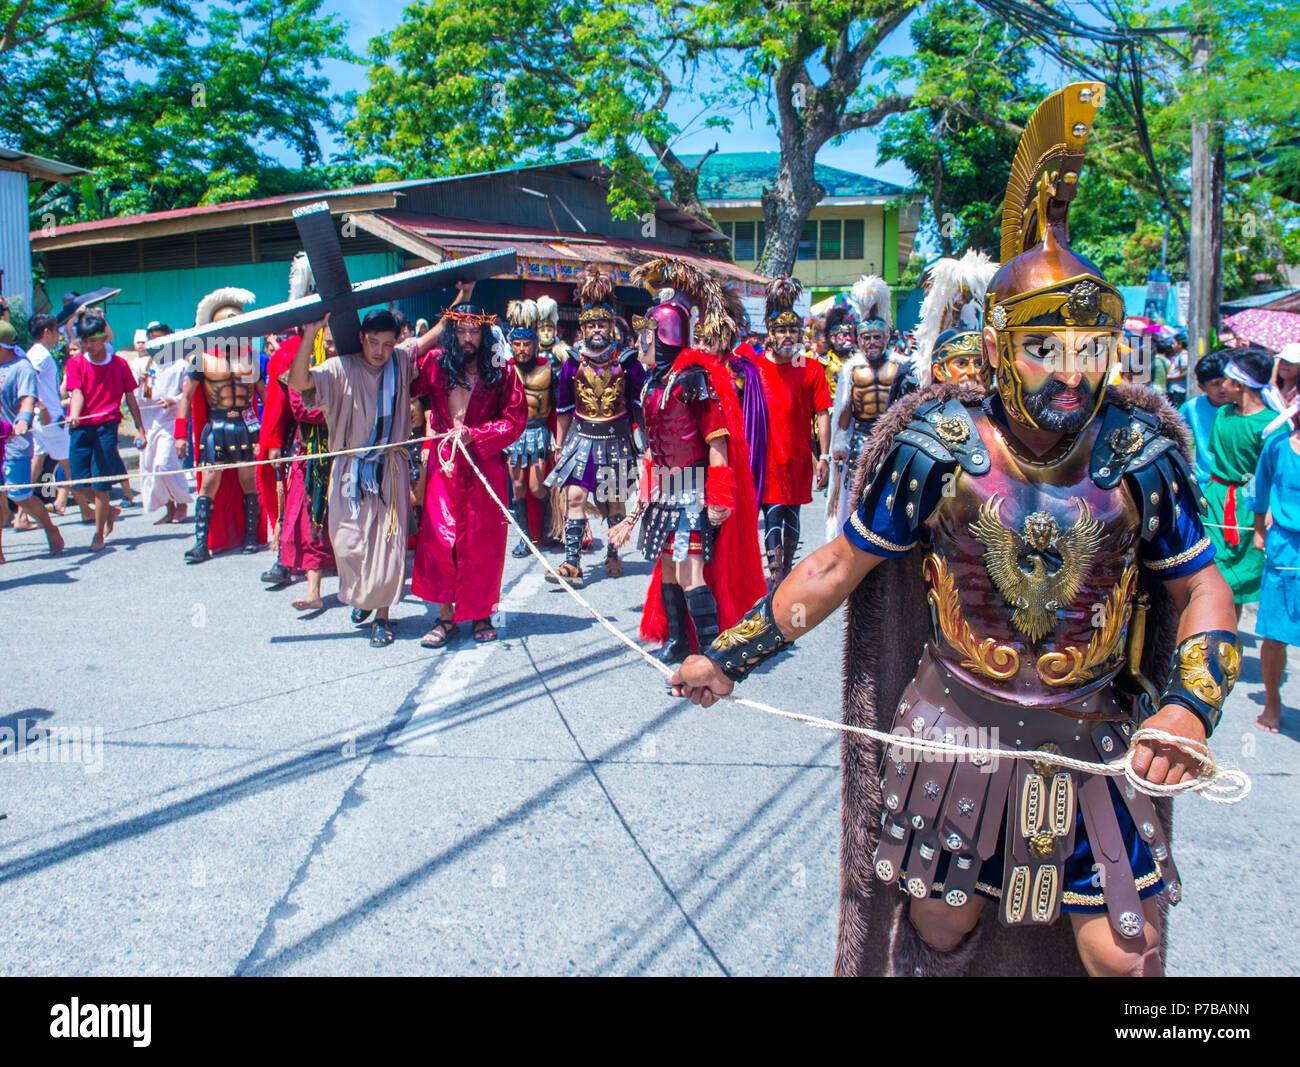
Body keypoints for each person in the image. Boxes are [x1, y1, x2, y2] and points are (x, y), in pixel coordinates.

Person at [671, 82, 1238, 978]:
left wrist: (1190, 705)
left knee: (1128, 956)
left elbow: (1199, 584)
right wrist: (726, 656)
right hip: (953, 730)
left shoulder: (1139, 452)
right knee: (936, 934)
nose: (1071, 372)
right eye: (1047, 348)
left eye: (1091, 349)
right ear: (1002, 344)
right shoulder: (938, 445)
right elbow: (834, 565)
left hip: (1093, 731)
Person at [610, 256, 765, 662]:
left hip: (693, 490)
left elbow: (718, 443)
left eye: (647, 335)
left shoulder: (694, 381)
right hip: (665, 489)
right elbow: (651, 453)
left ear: (664, 335)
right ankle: (680, 642)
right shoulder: (651, 386)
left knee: (691, 571)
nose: (640, 342)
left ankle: (711, 653)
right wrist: (633, 512)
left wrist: (718, 497)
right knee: (671, 570)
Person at [289, 308, 425, 647]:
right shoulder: (341, 368)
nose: (380, 351)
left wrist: (462, 297)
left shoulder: (400, 362)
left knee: (388, 548)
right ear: (362, 338)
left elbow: (431, 336)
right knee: (348, 545)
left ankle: (382, 616)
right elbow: (298, 382)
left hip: (389, 470)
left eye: (388, 344)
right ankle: (364, 597)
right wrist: (310, 333)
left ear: (397, 343)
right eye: (374, 342)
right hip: (349, 472)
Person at [412, 291, 527, 647]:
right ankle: (446, 618)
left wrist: (477, 436)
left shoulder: (503, 371)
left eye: (473, 332)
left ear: (484, 334)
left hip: (484, 466)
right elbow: (402, 368)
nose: (466, 338)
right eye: (459, 331)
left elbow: (515, 419)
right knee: (440, 540)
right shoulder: (433, 363)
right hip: (444, 467)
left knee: (481, 542)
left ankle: (480, 615)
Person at [544, 265, 646, 587]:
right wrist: (559, 445)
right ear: (583, 329)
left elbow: (640, 405)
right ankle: (571, 563)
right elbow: (563, 409)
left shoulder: (628, 362)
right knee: (575, 497)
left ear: (612, 328)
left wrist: (648, 443)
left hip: (616, 440)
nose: (598, 329)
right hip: (581, 439)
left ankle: (613, 553)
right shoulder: (571, 362)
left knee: (615, 500)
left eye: (603, 323)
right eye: (592, 325)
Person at [176, 287, 267, 563]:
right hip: (215, 426)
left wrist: (268, 433)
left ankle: (251, 537)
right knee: (209, 483)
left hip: (245, 426)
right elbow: (186, 398)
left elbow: (265, 397)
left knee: (248, 481)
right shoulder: (201, 359)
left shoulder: (250, 359)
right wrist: (180, 435)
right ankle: (202, 542)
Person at [754, 276, 831, 587]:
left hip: (798, 456)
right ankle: (776, 576)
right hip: (766, 457)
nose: (788, 335)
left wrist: (823, 455)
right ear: (770, 334)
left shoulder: (810, 368)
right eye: (781, 330)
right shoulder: (754, 367)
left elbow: (822, 413)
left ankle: (785, 565)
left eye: (793, 330)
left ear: (801, 333)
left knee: (791, 516)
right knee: (771, 514)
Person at [1204, 346, 1287, 615]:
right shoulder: (1224, 414)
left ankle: (1228, 645)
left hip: (1252, 507)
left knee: (1237, 583)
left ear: (1238, 384)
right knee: (1211, 575)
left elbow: (1277, 474)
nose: (1222, 386)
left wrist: (1269, 515)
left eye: (1225, 380)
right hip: (1215, 502)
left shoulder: (1273, 425)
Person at [65, 314, 147, 552]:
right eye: (84, 341)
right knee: (78, 483)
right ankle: (109, 511)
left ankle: (99, 534)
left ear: (103, 339)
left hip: (106, 428)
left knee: (101, 483)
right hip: (80, 426)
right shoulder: (76, 363)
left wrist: (140, 429)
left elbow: (131, 398)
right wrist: (75, 413)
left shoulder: (119, 364)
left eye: (92, 340)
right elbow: (77, 392)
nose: (88, 345)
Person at [829, 275, 904, 535]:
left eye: (877, 337)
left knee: (890, 494)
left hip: (894, 438)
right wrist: (839, 445)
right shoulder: (852, 368)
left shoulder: (900, 366)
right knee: (857, 493)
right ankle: (855, 537)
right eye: (867, 337)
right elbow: (844, 408)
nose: (872, 343)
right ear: (859, 340)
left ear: (887, 337)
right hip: (860, 437)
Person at [0, 320, 65, 556]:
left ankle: (49, 528)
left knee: (21, 496)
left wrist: (23, 420)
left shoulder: (22, 367)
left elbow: (28, 398)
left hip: (15, 441)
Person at [1252, 422, 1300, 733]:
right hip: (1284, 549)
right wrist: (1258, 528)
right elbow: (1260, 486)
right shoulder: (1278, 446)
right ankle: (1272, 702)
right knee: (1275, 636)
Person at [503, 299, 560, 557]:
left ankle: (549, 518)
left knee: (537, 487)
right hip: (515, 434)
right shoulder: (504, 371)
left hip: (539, 432)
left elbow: (560, 407)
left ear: (534, 343)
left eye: (526, 344)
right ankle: (525, 538)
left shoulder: (549, 367)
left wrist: (560, 440)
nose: (522, 349)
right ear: (511, 344)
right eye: (517, 344)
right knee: (517, 488)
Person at [134, 326, 192, 524]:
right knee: (151, 467)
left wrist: (172, 400)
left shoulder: (180, 365)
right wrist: (139, 384)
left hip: (169, 421)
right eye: (152, 340)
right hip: (149, 423)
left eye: (160, 339)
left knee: (164, 464)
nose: (156, 344)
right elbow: (134, 398)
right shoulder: (145, 365)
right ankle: (169, 508)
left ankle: (182, 502)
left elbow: (187, 394)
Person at [21, 313, 73, 520]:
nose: (58, 335)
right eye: (56, 331)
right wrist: (41, 406)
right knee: (71, 466)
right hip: (49, 418)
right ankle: (80, 508)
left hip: (45, 417)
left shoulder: (36, 352)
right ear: (46, 332)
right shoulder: (40, 355)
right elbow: (29, 379)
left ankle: (22, 515)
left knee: (37, 462)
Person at [1176, 350, 1230, 489]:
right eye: (1216, 384)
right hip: (1203, 482)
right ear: (1202, 387)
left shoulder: (1240, 407)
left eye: (1226, 381)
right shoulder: (1191, 408)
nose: (1223, 388)